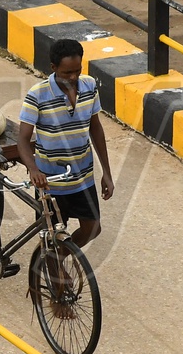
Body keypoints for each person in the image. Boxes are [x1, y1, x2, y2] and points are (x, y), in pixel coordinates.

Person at [17, 38, 115, 249]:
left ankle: (59, 258)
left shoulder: (89, 86)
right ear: (53, 68)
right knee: (50, 238)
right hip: (50, 182)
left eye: (77, 71)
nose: (73, 77)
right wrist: (33, 169)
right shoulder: (37, 95)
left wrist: (106, 173)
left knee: (93, 227)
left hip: (83, 178)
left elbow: (95, 128)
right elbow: (23, 139)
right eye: (66, 73)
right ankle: (52, 264)